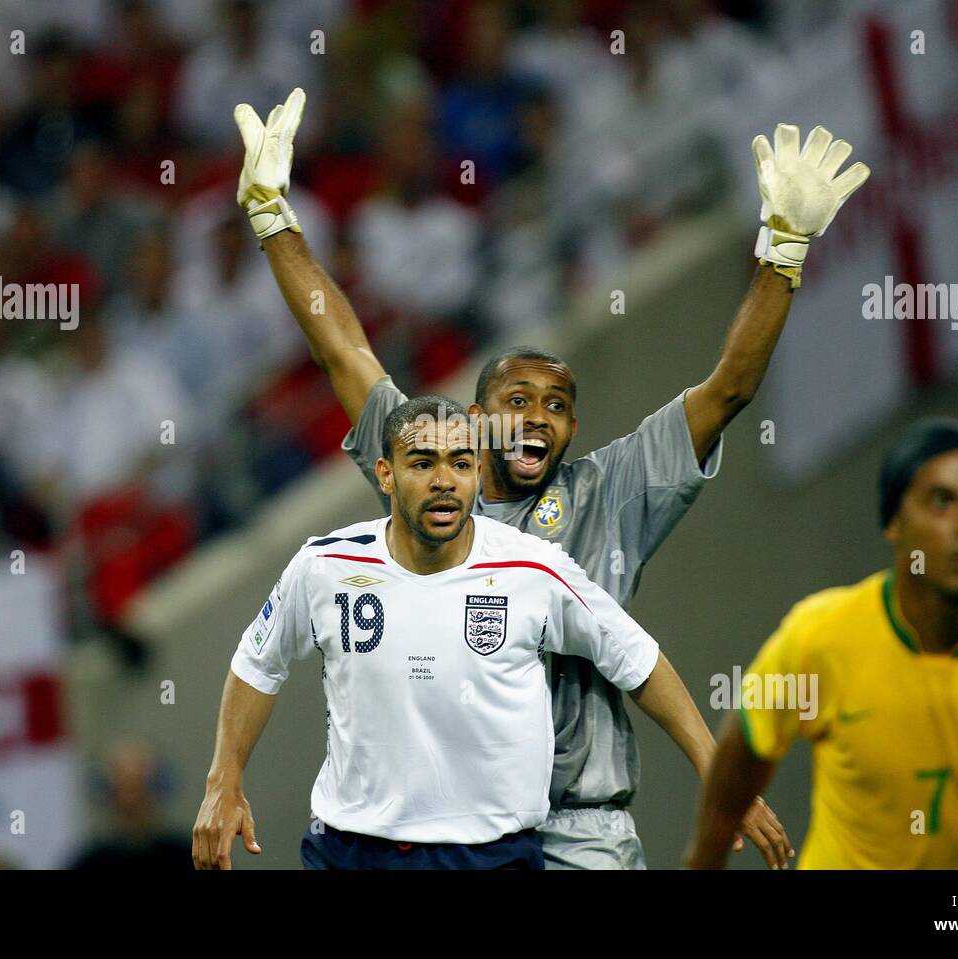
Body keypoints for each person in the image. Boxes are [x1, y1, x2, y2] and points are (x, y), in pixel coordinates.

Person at [231, 88, 869, 868]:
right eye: (518, 401)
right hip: (452, 831)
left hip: (584, 830)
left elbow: (729, 389)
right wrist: (272, 220)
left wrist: (783, 256)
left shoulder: (617, 488)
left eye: (559, 405)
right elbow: (342, 348)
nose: (538, 417)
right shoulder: (429, 458)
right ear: (470, 417)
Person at [192, 396, 789, 870]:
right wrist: (224, 778)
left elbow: (638, 662)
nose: (444, 480)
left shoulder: (534, 569)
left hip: (492, 856)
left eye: (460, 463)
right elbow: (257, 662)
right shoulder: (325, 566)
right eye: (423, 463)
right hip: (350, 849)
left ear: (478, 472)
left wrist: (717, 773)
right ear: (386, 475)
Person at [687, 419, 958, 869]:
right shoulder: (822, 637)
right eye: (943, 501)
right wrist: (703, 859)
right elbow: (748, 743)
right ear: (894, 523)